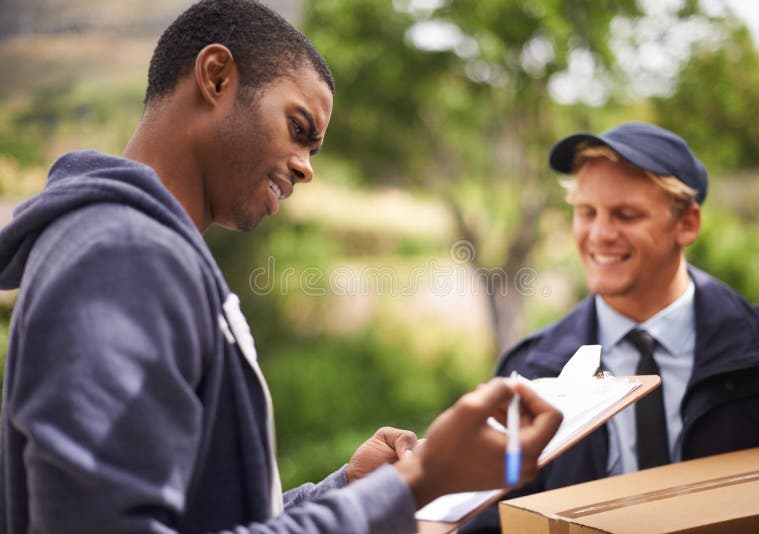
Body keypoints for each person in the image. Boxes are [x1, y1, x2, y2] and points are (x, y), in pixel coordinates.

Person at [0, 1, 563, 532]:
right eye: (299, 130)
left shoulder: (139, 250)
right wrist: (421, 479)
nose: (306, 168)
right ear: (217, 77)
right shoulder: (122, 257)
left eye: (315, 150)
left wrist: (350, 491)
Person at [461, 121, 759, 532]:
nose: (600, 235)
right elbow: (495, 518)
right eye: (587, 213)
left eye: (626, 215)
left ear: (687, 224)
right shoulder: (529, 374)